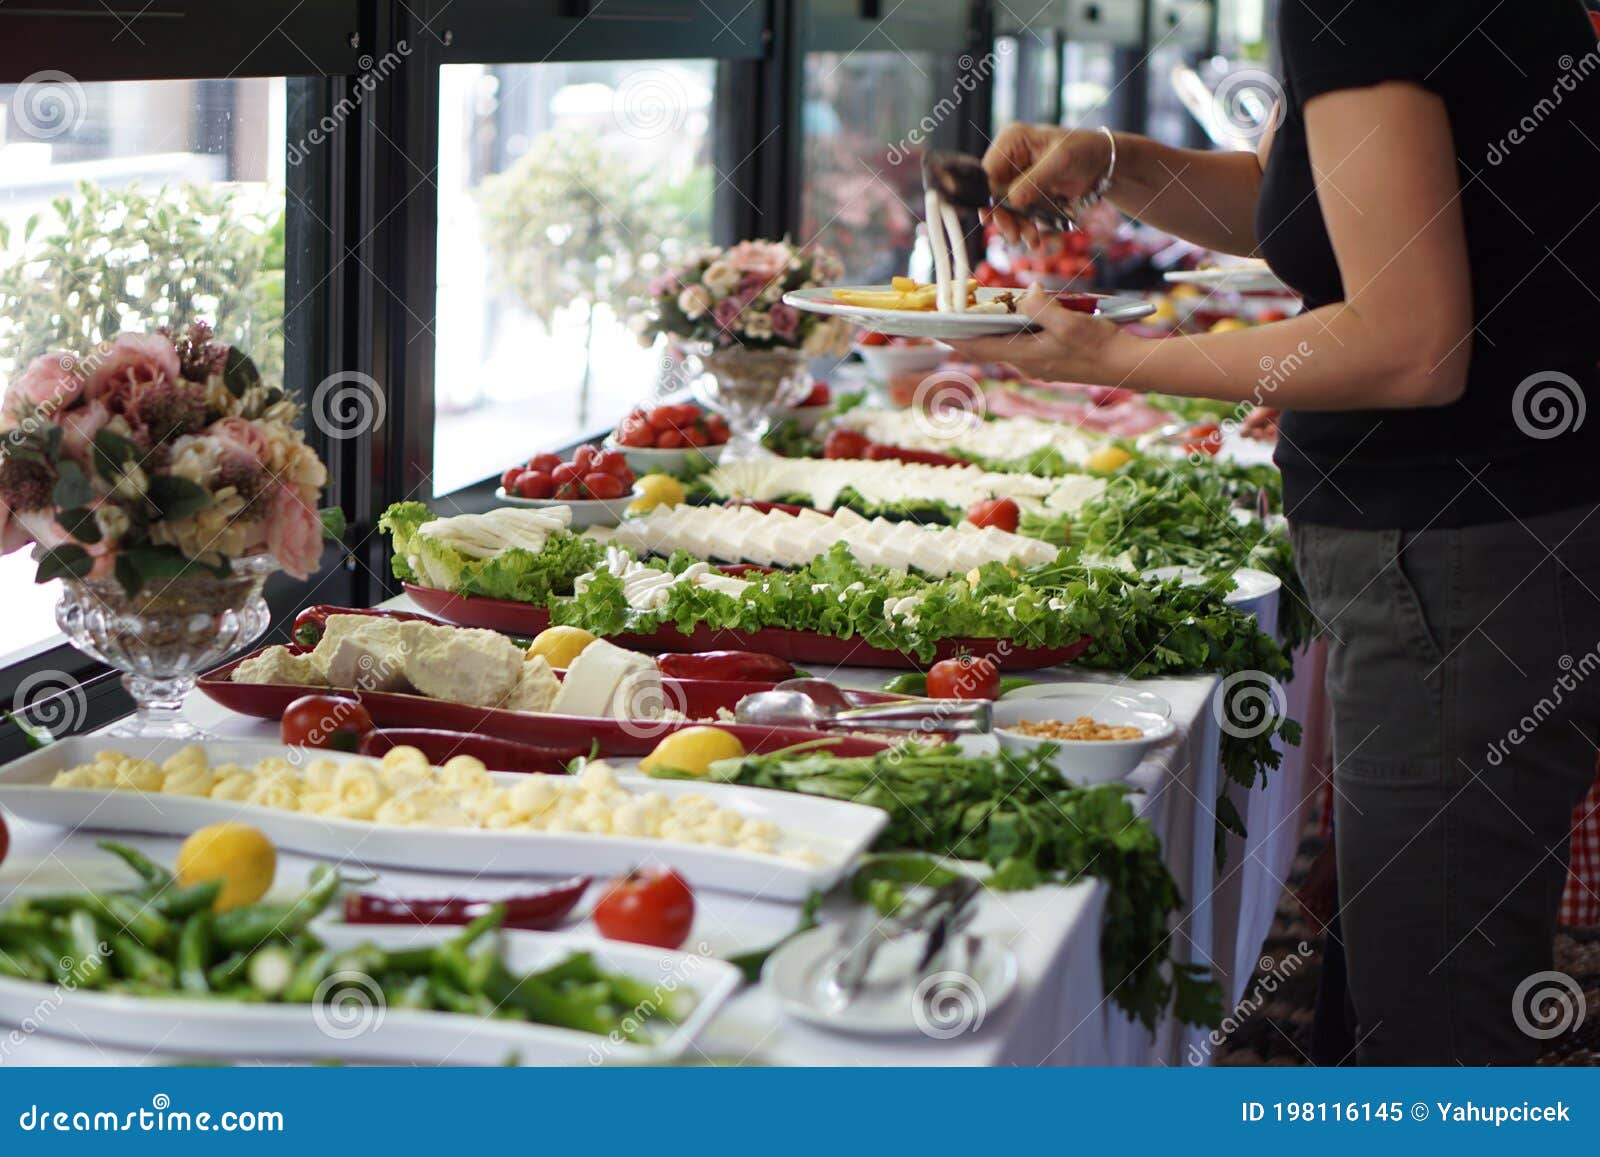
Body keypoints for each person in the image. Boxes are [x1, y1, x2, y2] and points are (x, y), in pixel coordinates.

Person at [951, 0, 1600, 1064]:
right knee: (1422, 961)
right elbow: (1312, 209)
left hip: (1452, 549)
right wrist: (1115, 162)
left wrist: (1115, 360)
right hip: (1484, 540)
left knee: (1433, 1020)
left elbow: (1405, 345)